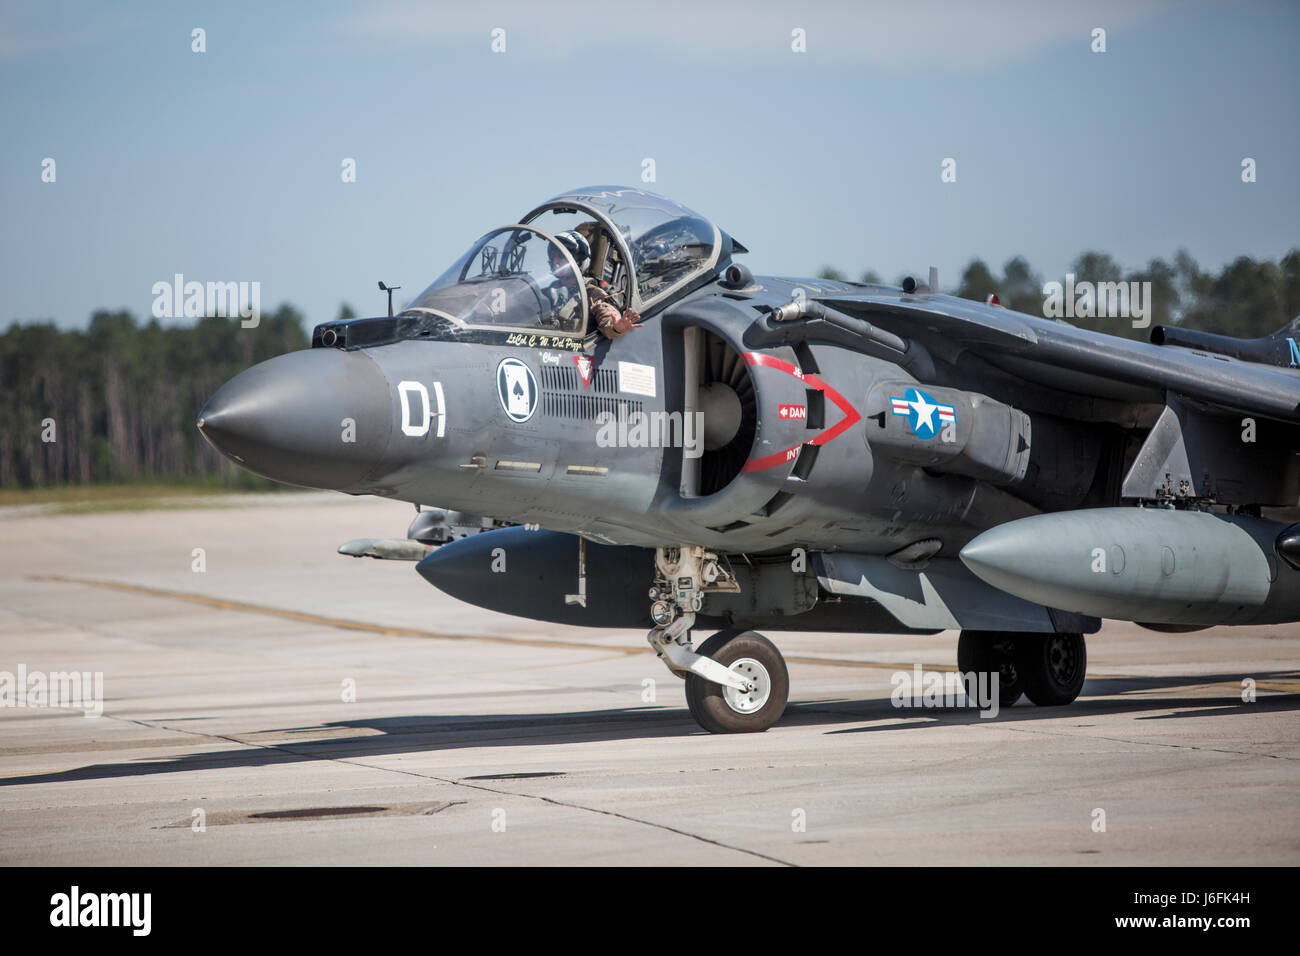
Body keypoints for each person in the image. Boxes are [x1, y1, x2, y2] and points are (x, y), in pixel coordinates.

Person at [552, 231, 643, 339]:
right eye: (553, 256)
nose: (555, 261)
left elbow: (606, 315)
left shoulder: (592, 293)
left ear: (579, 260)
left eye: (562, 256)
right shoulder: (549, 291)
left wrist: (616, 327)